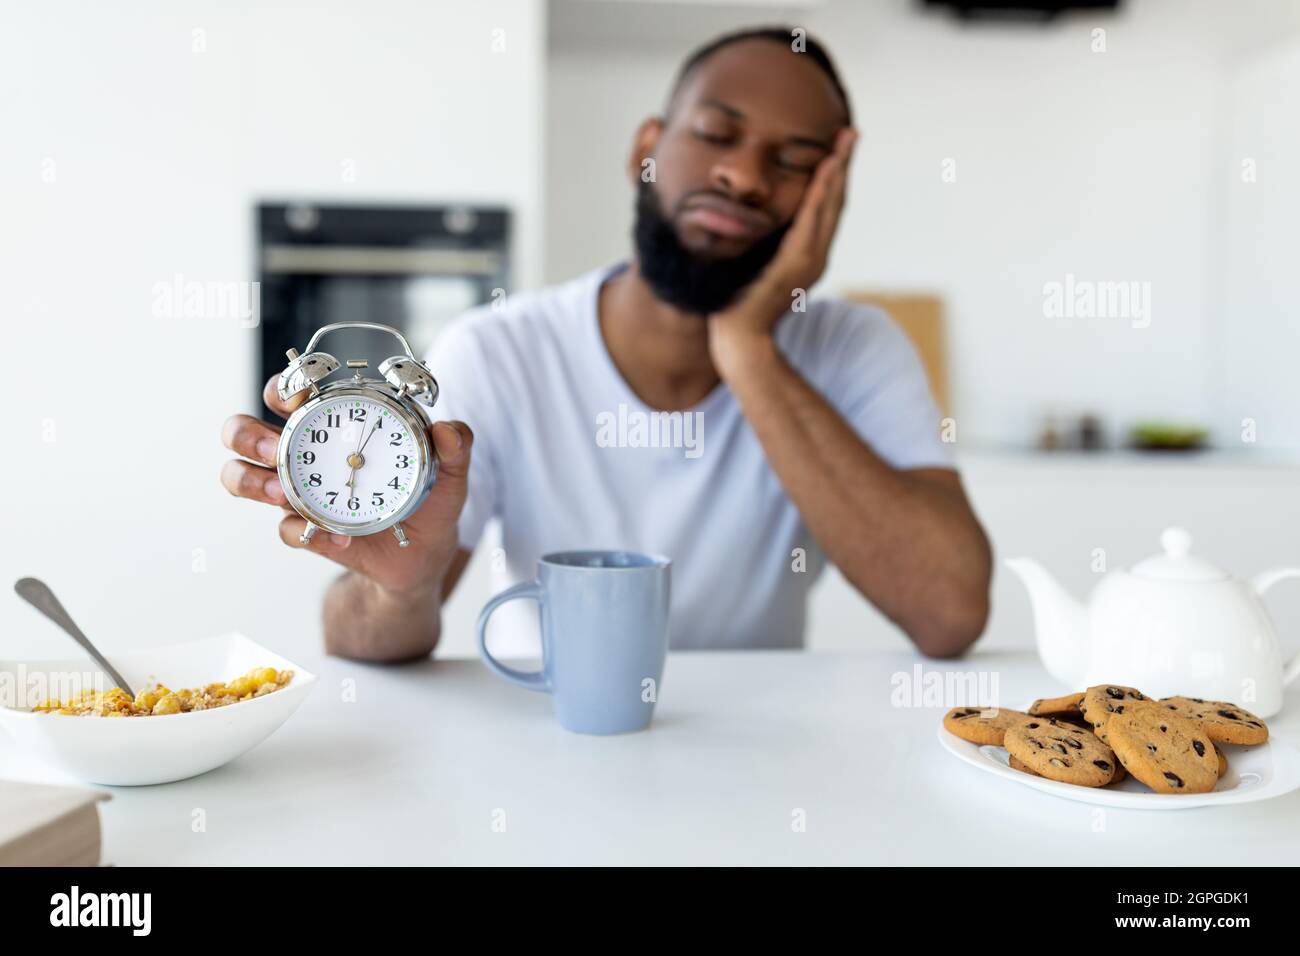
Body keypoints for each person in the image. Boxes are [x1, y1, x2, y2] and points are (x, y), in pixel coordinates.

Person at [220, 26, 992, 661]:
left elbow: (950, 612)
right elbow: (364, 642)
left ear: (831, 199)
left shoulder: (854, 346)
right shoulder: (498, 353)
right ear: (645, 151)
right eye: (718, 133)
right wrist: (402, 588)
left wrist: (747, 346)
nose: (745, 177)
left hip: (765, 769)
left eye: (793, 163)